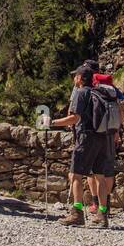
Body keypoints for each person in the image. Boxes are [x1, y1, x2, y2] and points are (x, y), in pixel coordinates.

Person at [51, 64, 115, 227]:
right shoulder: (98, 92)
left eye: (75, 76)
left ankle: (77, 212)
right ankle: (102, 214)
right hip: (102, 137)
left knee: (75, 175)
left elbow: (74, 118)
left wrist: (51, 122)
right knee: (100, 176)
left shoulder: (80, 93)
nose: (74, 78)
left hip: (86, 137)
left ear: (80, 78)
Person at [90, 63, 124, 215]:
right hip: (111, 133)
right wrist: (117, 130)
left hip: (95, 134)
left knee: (93, 172)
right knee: (109, 170)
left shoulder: (93, 92)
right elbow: (121, 111)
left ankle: (96, 204)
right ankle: (107, 205)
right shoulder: (115, 93)